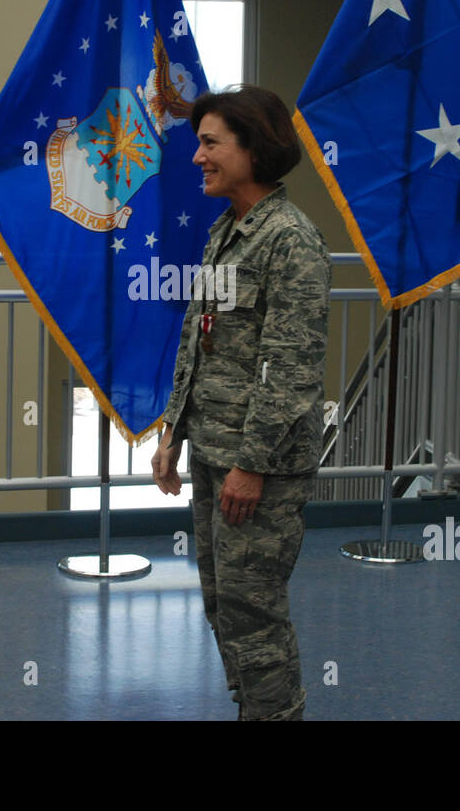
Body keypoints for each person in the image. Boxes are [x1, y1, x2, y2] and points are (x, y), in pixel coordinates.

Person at [152, 85, 331, 721]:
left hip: (258, 469)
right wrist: (173, 430)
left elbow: (291, 367)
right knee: (222, 603)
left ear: (253, 149)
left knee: (253, 612)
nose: (197, 157)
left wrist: (252, 464)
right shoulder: (229, 231)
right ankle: (253, 711)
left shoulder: (290, 240)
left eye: (210, 143)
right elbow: (199, 338)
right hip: (216, 455)